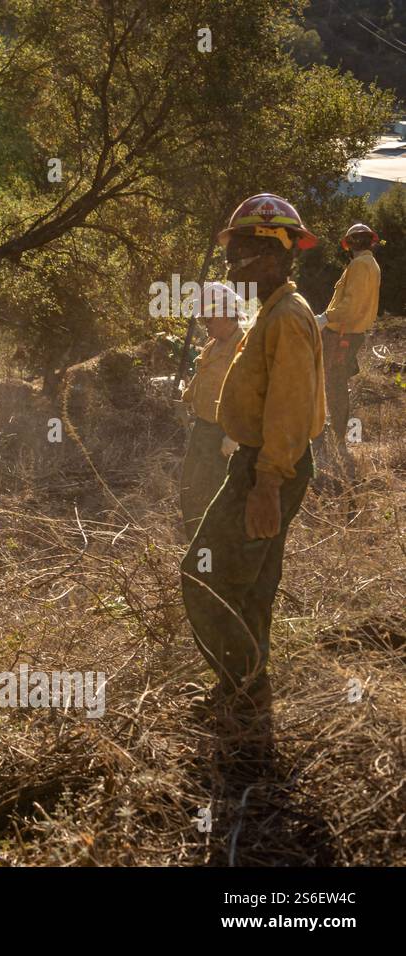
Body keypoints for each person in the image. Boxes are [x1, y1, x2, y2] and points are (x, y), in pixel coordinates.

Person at [180, 194, 325, 755]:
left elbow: (289, 410)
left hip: (267, 465)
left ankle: (240, 689)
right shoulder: (273, 310)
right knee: (254, 583)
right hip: (261, 462)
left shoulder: (286, 318)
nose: (228, 260)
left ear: (270, 253)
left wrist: (267, 482)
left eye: (238, 249)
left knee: (203, 572)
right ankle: (247, 694)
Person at [179, 282, 246, 540]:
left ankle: (213, 546)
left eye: (209, 317)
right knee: (189, 487)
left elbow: (248, 393)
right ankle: (195, 542)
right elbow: (202, 375)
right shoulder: (212, 344)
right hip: (202, 428)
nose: (206, 323)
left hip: (223, 434)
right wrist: (186, 397)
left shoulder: (243, 345)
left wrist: (235, 435)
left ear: (225, 313)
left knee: (212, 493)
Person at [314, 222, 381, 470]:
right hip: (347, 333)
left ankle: (337, 439)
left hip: (343, 334)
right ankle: (334, 435)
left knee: (334, 385)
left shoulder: (361, 265)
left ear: (350, 243)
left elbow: (351, 305)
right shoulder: (368, 264)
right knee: (334, 384)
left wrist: (326, 318)